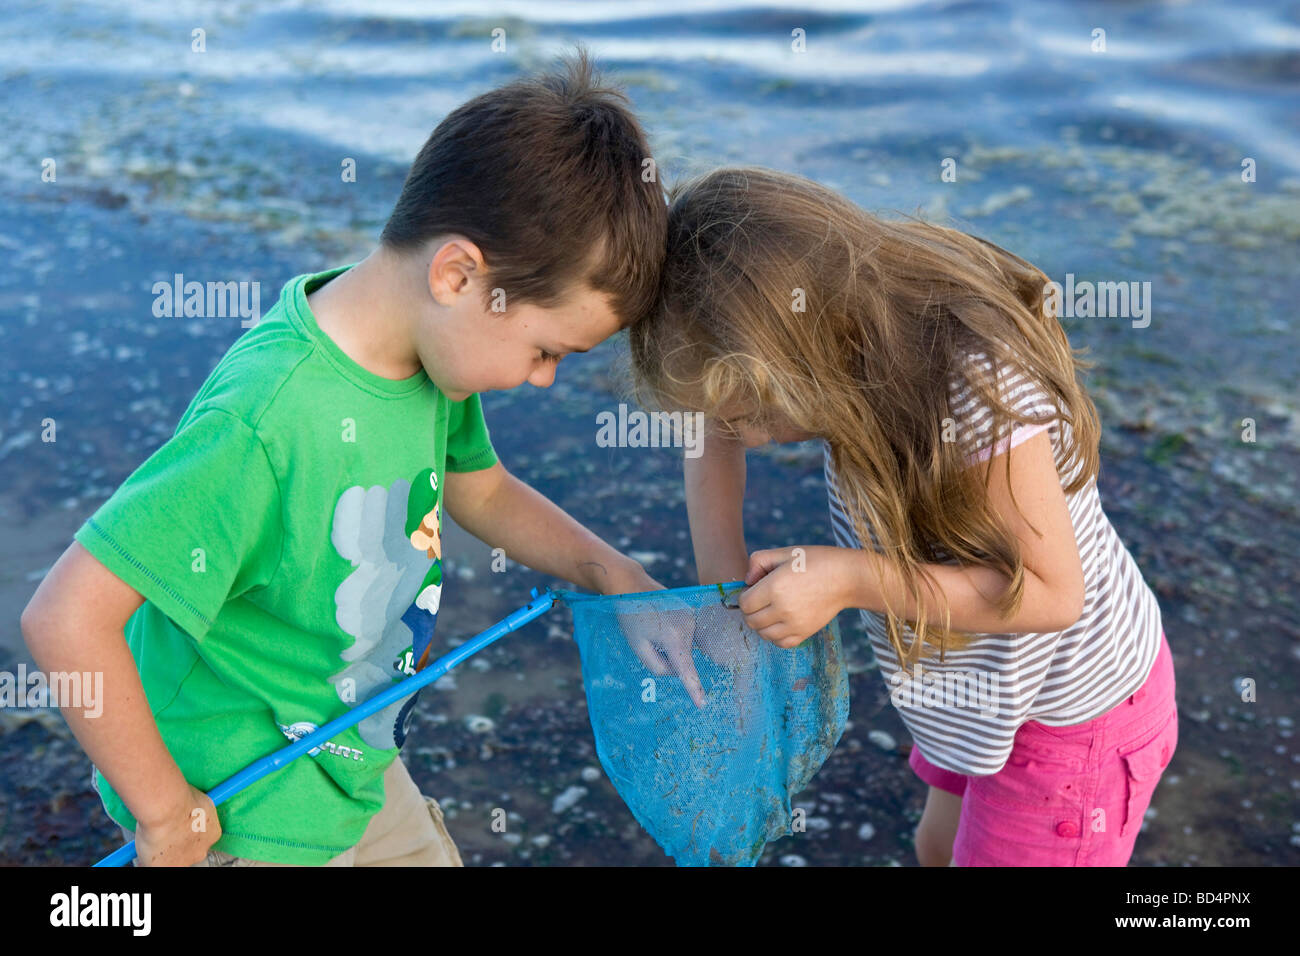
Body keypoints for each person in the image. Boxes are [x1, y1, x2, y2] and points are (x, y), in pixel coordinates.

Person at [21, 51, 695, 867]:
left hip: (352, 758)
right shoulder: (264, 423)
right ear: (458, 274)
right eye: (547, 350)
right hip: (239, 801)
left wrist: (609, 570)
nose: (544, 381)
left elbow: (481, 492)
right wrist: (164, 813)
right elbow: (65, 619)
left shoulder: (428, 360)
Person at [628, 166, 1178, 866]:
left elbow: (1050, 595)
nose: (751, 436)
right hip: (980, 688)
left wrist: (850, 580)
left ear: (811, 351)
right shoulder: (837, 335)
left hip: (1070, 714)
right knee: (937, 849)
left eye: (757, 413)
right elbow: (712, 438)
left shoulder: (975, 383)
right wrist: (723, 594)